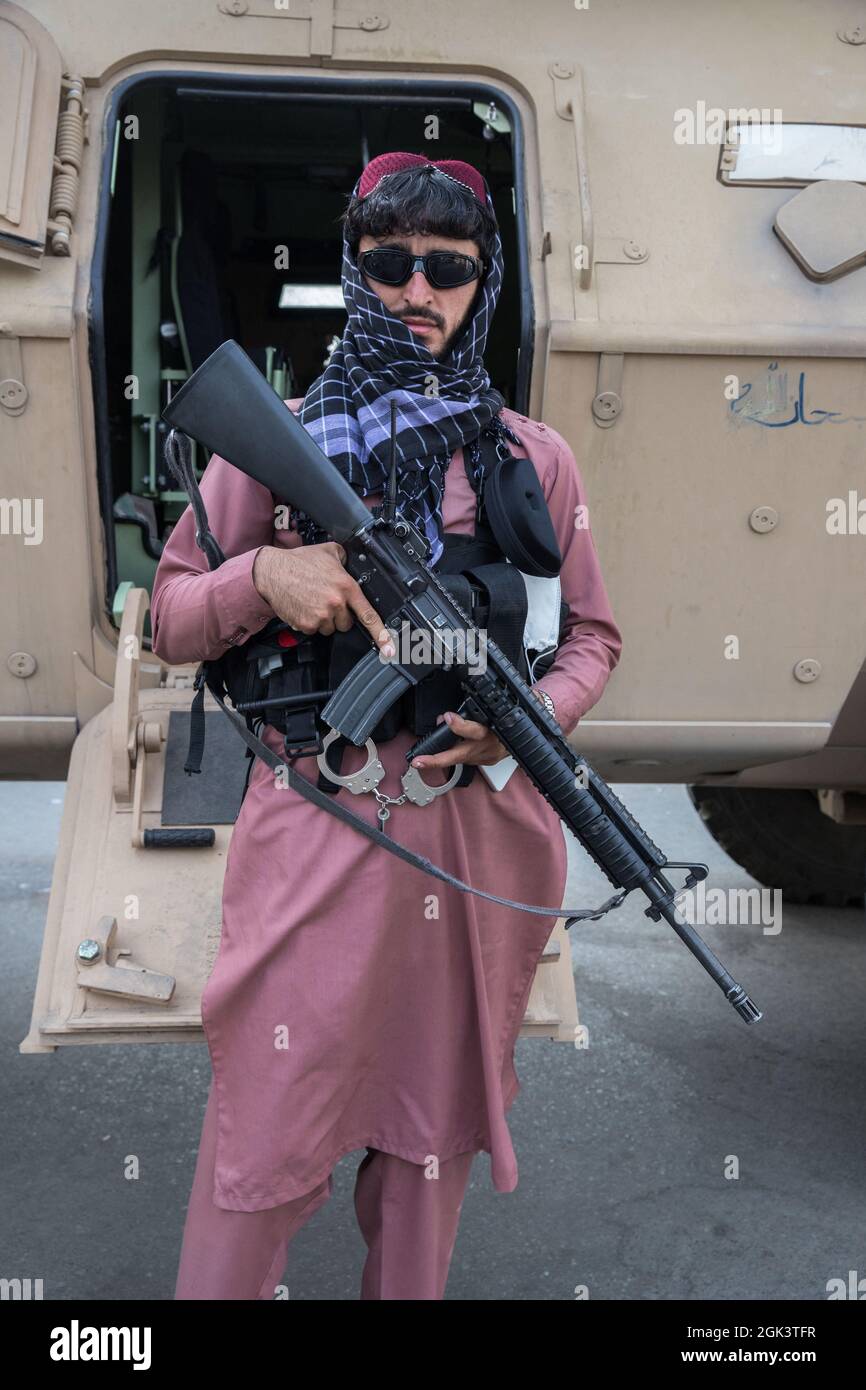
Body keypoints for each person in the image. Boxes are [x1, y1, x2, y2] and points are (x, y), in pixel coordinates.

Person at [151, 150, 623, 1301]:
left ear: (483, 282)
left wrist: (525, 726)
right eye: (392, 262)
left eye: (448, 268)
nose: (420, 291)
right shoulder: (279, 439)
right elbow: (169, 617)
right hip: (316, 822)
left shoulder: (529, 459)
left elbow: (591, 641)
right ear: (357, 272)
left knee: (425, 1143)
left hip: (473, 845)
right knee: (259, 1141)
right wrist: (264, 574)